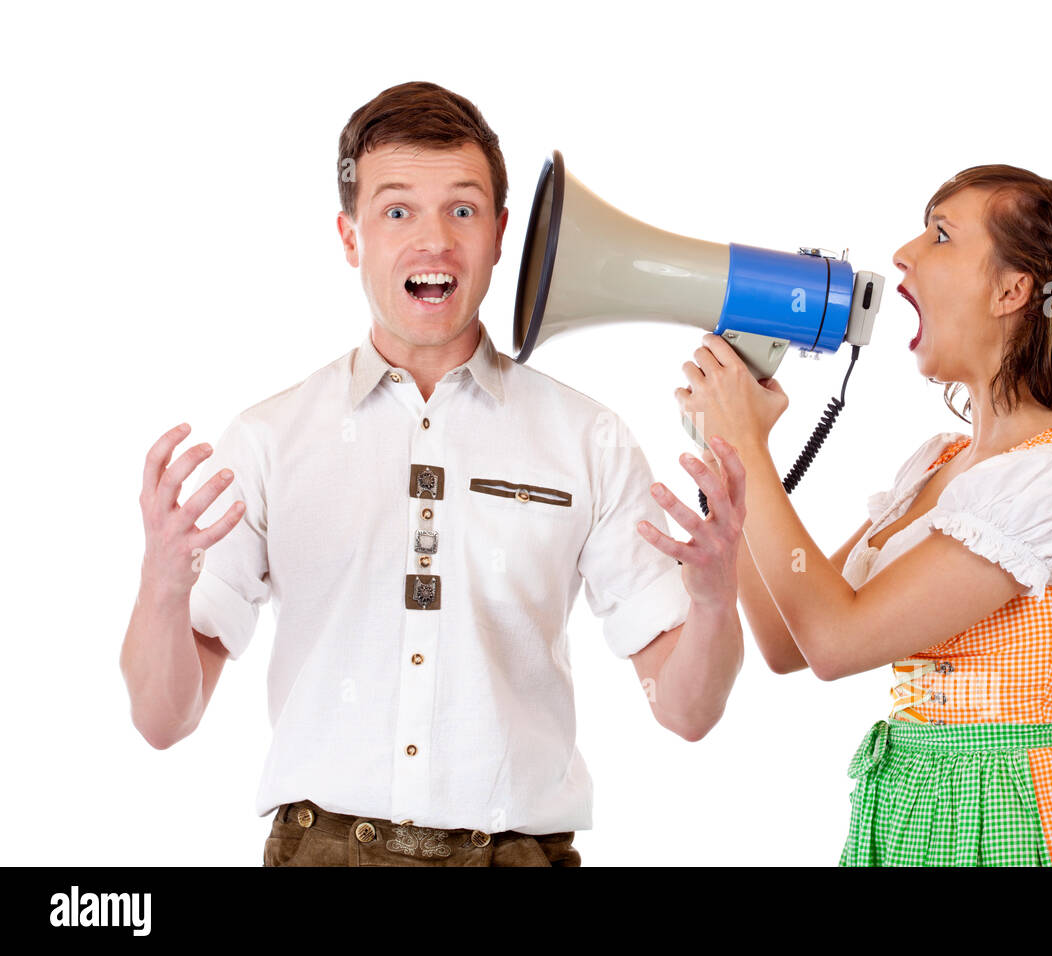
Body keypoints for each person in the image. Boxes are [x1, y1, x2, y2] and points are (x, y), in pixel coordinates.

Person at [119, 81, 746, 867]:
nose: (434, 240)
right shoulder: (268, 440)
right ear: (350, 237)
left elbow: (687, 712)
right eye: (395, 210)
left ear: (499, 234)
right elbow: (161, 718)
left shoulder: (590, 440)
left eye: (462, 208)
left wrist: (717, 602)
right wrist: (163, 587)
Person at [660, 164, 1052, 866]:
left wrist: (756, 453)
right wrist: (737, 452)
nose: (905, 254)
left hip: (998, 814)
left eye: (941, 234)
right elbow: (788, 641)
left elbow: (836, 642)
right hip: (914, 805)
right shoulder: (939, 462)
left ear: (1013, 290)